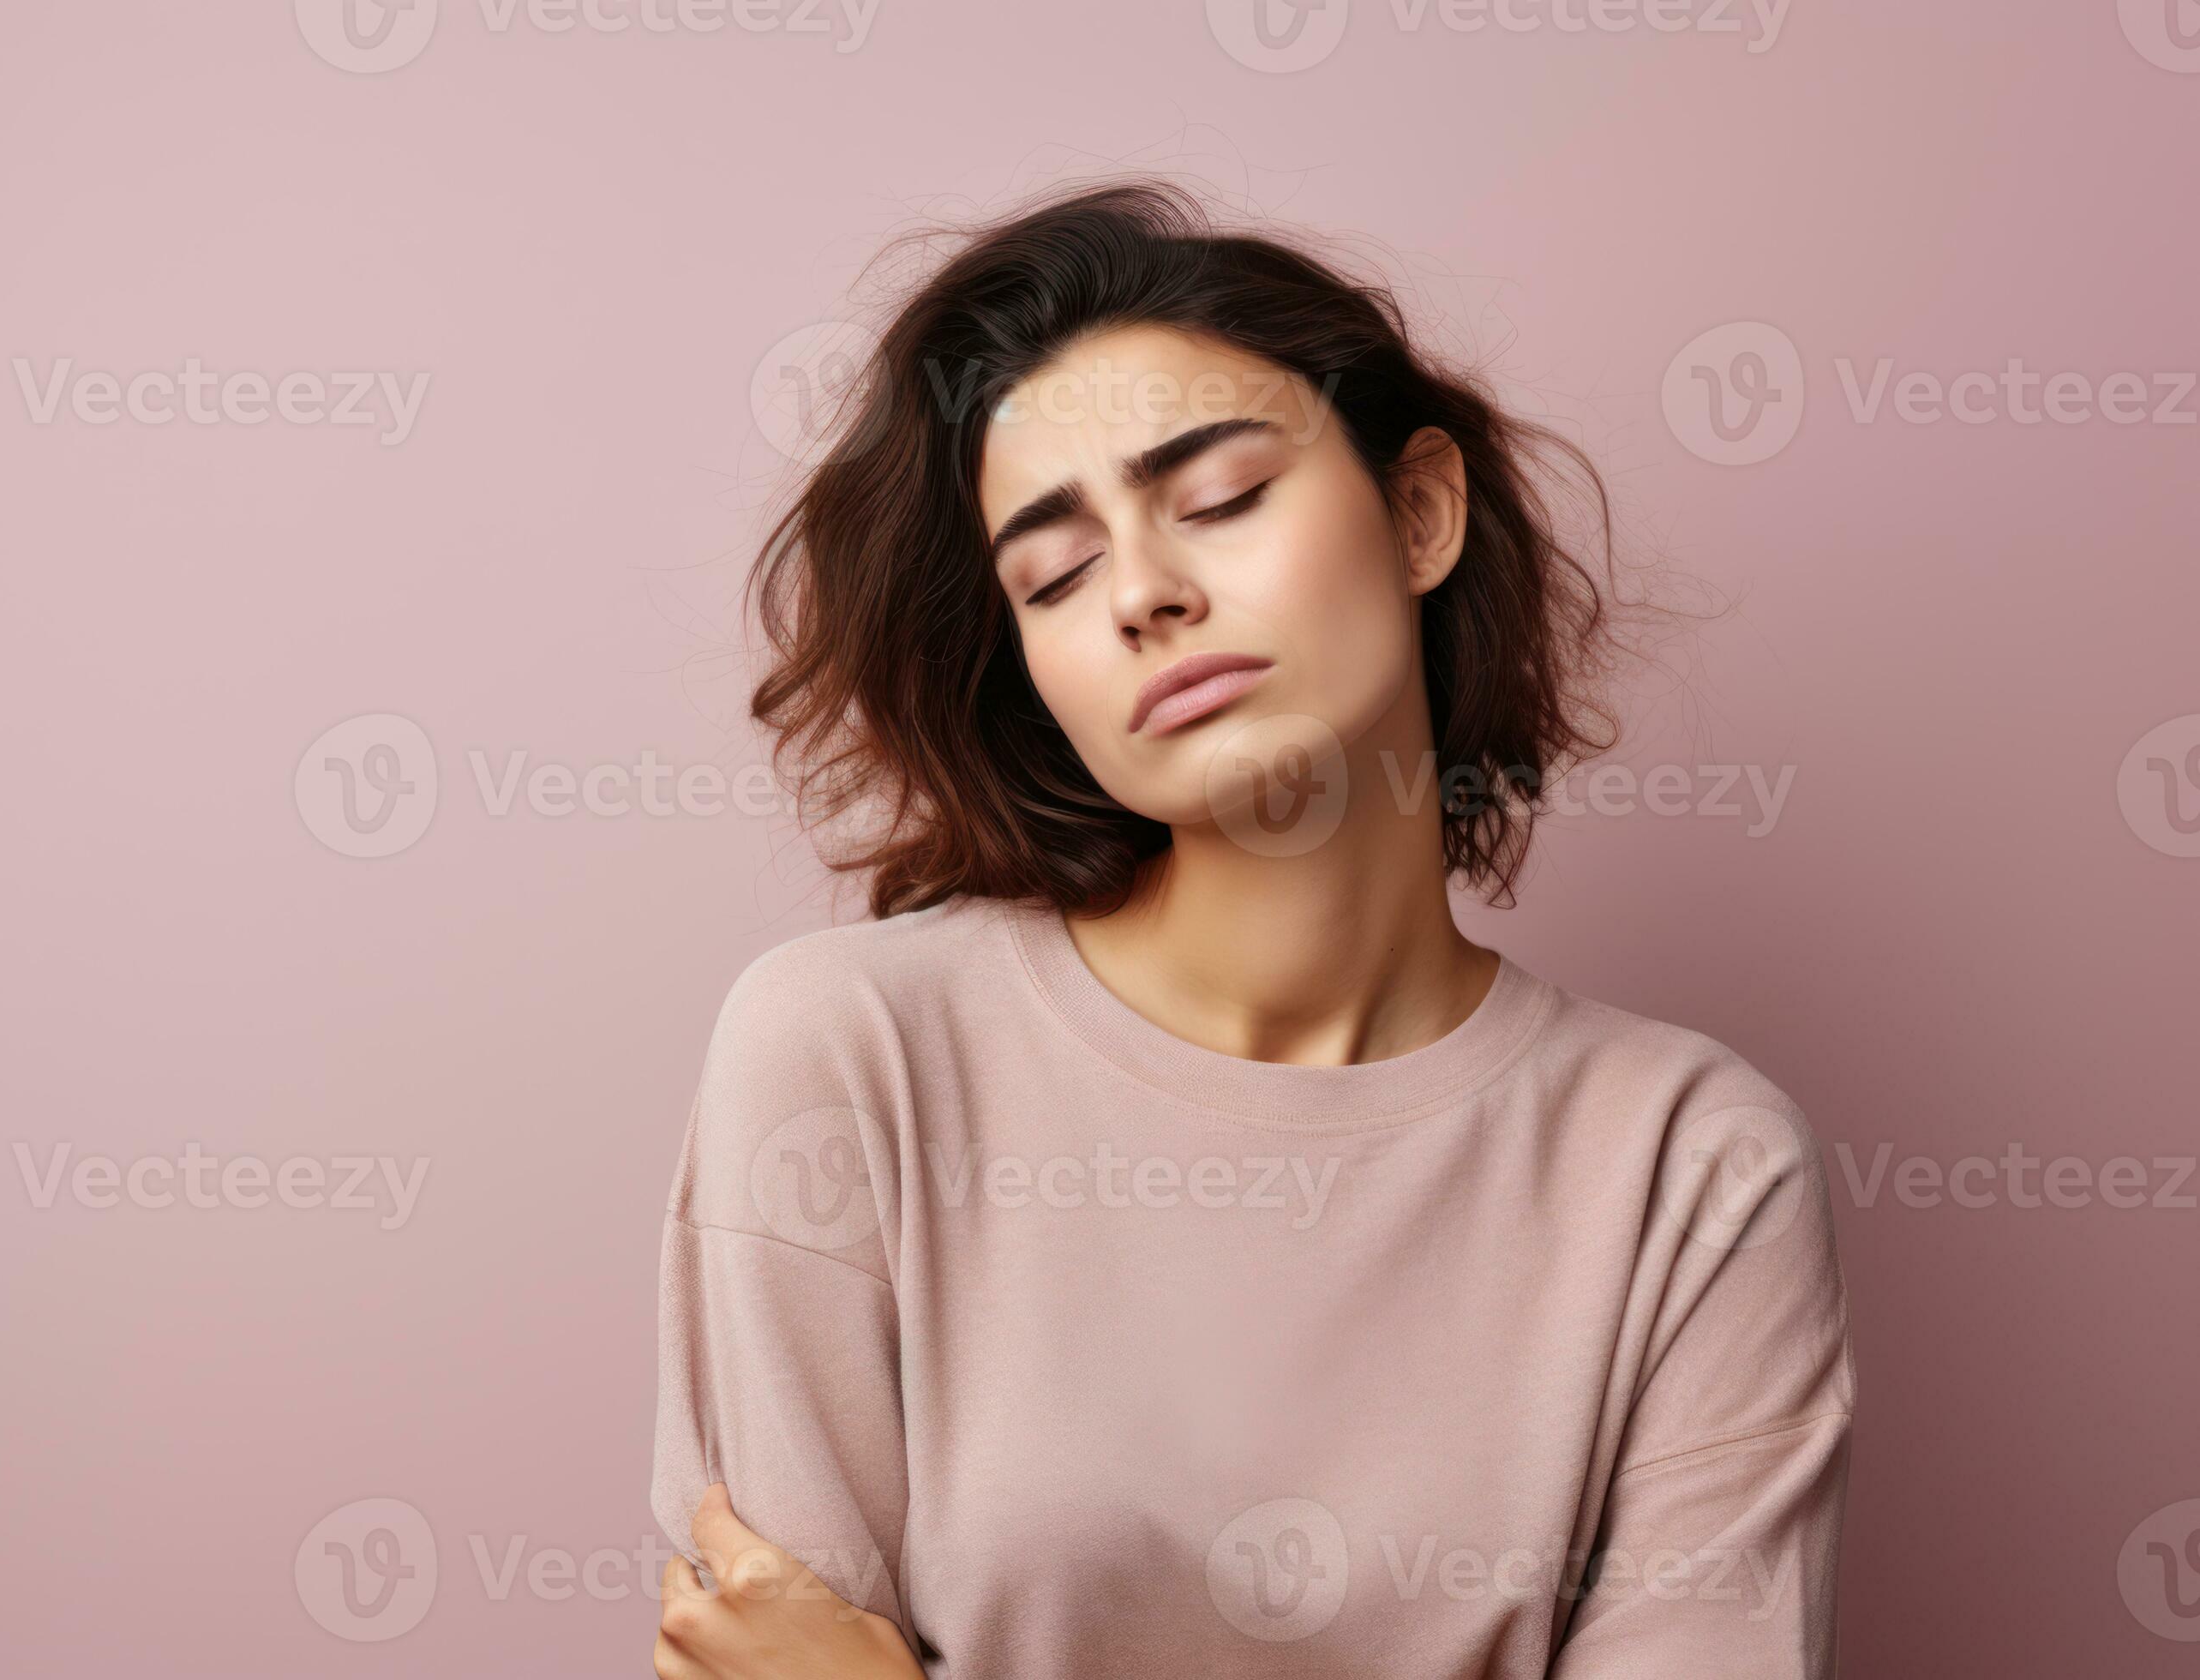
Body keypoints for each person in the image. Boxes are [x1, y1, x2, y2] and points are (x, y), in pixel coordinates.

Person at [648, 177, 1854, 1679]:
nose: (1144, 593)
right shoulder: (852, 1058)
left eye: (1219, 499)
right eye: (1055, 574)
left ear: (1421, 513)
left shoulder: (1693, 1170)